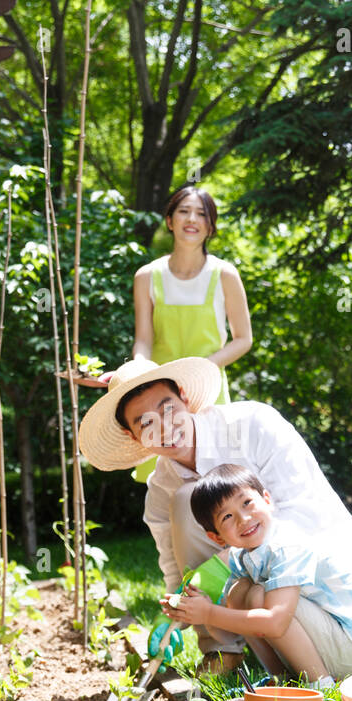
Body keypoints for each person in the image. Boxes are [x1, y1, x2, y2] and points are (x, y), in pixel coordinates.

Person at [78, 356, 352, 676]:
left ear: (184, 397)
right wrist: (174, 613)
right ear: (133, 437)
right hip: (254, 579)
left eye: (168, 408)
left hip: (324, 557)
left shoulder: (252, 424)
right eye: (145, 423)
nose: (164, 427)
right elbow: (175, 568)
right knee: (187, 502)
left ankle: (292, 643)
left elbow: (303, 510)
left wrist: (222, 565)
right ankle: (224, 648)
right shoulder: (161, 490)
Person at [162, 464, 352, 684]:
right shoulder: (244, 556)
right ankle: (282, 680)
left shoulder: (285, 545)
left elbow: (275, 622)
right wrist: (187, 609)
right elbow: (227, 619)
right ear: (217, 538)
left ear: (267, 500)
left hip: (351, 650)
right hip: (326, 644)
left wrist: (209, 613)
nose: (244, 518)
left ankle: (321, 685)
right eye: (227, 517)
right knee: (238, 592)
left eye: (247, 503)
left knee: (258, 597)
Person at [127, 186, 253, 485]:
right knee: (165, 486)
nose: (191, 219)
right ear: (170, 220)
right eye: (183, 211)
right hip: (160, 396)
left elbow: (243, 339)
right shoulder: (147, 276)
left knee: (217, 484)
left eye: (201, 213)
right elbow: (143, 339)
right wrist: (138, 370)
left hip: (208, 391)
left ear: (210, 226)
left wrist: (200, 371)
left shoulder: (224, 274)